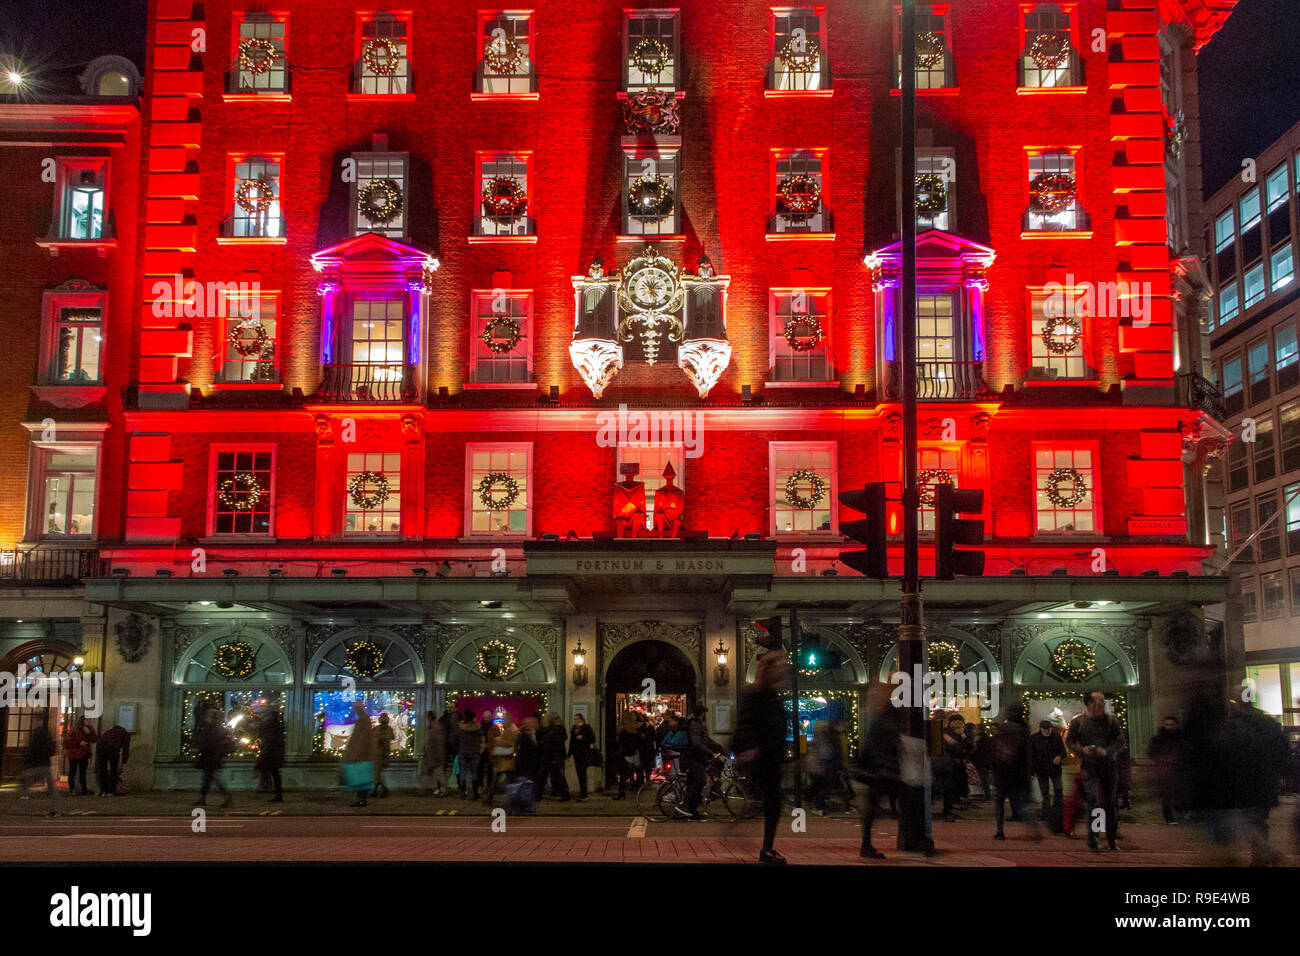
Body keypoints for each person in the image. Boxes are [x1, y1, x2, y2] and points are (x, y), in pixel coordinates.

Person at [734, 625, 791, 864]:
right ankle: (766, 848)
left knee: (772, 802)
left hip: (770, 756)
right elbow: (747, 723)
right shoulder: (757, 694)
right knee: (773, 802)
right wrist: (752, 747)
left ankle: (766, 846)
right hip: (763, 758)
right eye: (779, 666)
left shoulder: (773, 695)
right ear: (768, 670)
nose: (784, 669)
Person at [1065, 691, 1125, 851]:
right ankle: (1094, 837)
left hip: (1108, 766)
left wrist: (1108, 751)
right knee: (1094, 800)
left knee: (1110, 802)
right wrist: (1082, 750)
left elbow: (1120, 741)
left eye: (1103, 701)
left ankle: (1111, 839)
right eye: (1099, 701)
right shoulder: (1079, 722)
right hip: (1090, 766)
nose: (1102, 704)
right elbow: (1070, 741)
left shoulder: (1111, 721)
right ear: (1090, 704)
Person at [858, 685, 902, 860]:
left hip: (879, 769)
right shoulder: (884, 716)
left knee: (871, 807)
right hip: (880, 770)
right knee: (872, 807)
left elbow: (875, 743)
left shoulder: (883, 716)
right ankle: (866, 845)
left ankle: (866, 844)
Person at [991, 701, 1034, 840]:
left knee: (999, 804)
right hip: (1017, 772)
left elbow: (995, 750)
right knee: (1019, 804)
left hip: (1002, 771)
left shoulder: (1002, 728)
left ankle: (1000, 831)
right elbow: (1027, 753)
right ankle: (1034, 824)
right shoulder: (1024, 729)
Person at [682, 705, 725, 820]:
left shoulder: (698, 725)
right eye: (704, 714)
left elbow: (707, 741)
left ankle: (688, 808)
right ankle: (690, 808)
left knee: (693, 782)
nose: (705, 716)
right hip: (692, 758)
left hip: (695, 757)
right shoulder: (695, 725)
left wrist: (721, 749)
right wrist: (711, 753)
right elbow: (697, 743)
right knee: (700, 781)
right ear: (701, 714)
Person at [1147, 716, 1182, 825]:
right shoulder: (1158, 739)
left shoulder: (1180, 738)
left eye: (1172, 725)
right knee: (1167, 795)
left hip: (1177, 770)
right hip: (1164, 770)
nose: (1169, 727)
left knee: (1177, 794)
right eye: (1167, 725)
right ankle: (1169, 817)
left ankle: (1177, 815)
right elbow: (1151, 752)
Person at [20, 714, 58, 814]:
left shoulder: (37, 733)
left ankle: (23, 803)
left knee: (27, 783)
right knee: (50, 788)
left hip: (37, 764)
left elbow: (32, 749)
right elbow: (51, 748)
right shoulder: (46, 733)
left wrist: (28, 760)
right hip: (44, 763)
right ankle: (52, 808)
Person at [194, 708, 232, 808]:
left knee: (209, 777)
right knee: (209, 778)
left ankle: (224, 795)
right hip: (215, 757)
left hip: (210, 757)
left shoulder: (210, 729)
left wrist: (199, 750)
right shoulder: (220, 729)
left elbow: (205, 742)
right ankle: (203, 797)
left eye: (209, 716)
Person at [935, 714, 969, 822]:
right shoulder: (949, 735)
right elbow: (960, 748)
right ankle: (947, 812)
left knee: (948, 789)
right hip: (949, 764)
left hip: (947, 764)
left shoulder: (948, 733)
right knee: (948, 789)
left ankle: (948, 810)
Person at [342, 702, 376, 807]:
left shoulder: (362, 720)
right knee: (361, 778)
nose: (356, 710)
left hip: (361, 755)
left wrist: (356, 753)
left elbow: (361, 738)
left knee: (360, 778)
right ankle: (361, 799)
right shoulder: (364, 719)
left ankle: (361, 799)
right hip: (363, 754)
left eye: (357, 708)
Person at [1029, 719, 1066, 816]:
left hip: (1055, 768)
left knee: (1058, 790)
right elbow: (1030, 755)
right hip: (1041, 769)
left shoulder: (1057, 737)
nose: (1047, 731)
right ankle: (1047, 812)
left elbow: (1063, 752)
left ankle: (1057, 811)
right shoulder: (1034, 739)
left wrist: (1060, 757)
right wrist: (1033, 768)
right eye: (1045, 729)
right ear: (1040, 729)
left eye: (1049, 729)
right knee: (1045, 792)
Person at [484, 713, 518, 806]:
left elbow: (509, 743)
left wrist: (499, 741)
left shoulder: (509, 730)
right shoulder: (510, 729)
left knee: (498, 781)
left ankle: (490, 799)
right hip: (505, 760)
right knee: (508, 781)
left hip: (504, 760)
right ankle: (510, 800)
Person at [62, 715, 97, 796]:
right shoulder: (75, 730)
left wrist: (89, 733)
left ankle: (84, 789)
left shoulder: (90, 729)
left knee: (82, 772)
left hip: (84, 754)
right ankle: (72, 789)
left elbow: (94, 739)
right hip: (74, 754)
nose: (89, 722)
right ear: (82, 721)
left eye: (89, 720)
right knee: (73, 772)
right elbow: (68, 743)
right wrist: (78, 743)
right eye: (87, 720)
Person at [513, 716, 542, 814]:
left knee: (526, 787)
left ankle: (523, 806)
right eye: (534, 723)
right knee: (525, 788)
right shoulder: (524, 737)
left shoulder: (532, 735)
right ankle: (523, 807)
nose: (536, 725)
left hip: (528, 767)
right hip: (525, 767)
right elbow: (527, 753)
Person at [541, 712, 571, 801]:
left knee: (557, 776)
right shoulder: (558, 729)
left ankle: (563, 794)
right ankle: (559, 793)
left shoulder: (555, 730)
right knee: (556, 776)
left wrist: (555, 758)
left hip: (553, 757)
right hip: (554, 757)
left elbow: (557, 745)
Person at [95, 724, 131, 797]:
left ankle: (103, 790)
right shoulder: (126, 734)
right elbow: (125, 749)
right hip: (112, 750)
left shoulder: (109, 732)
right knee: (113, 770)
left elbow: (100, 741)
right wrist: (124, 762)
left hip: (101, 748)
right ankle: (111, 790)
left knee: (102, 770)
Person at [568, 713, 596, 801]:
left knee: (582, 774)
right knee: (580, 774)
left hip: (584, 753)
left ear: (581, 719)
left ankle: (584, 794)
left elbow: (592, 739)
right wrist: (569, 754)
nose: (575, 721)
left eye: (577, 719)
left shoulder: (587, 728)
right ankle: (583, 793)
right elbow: (572, 743)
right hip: (577, 754)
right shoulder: (574, 728)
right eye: (575, 719)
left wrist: (583, 738)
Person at [420, 710, 449, 796]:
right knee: (436, 773)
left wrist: (428, 751)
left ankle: (441, 790)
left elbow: (435, 743)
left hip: (434, 755)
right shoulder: (435, 727)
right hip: (434, 755)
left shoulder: (434, 728)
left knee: (437, 773)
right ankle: (441, 789)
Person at [260, 709, 285, 802]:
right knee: (275, 774)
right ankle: (277, 793)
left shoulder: (271, 727)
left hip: (272, 754)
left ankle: (277, 794)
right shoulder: (277, 726)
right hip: (275, 754)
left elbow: (269, 741)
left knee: (274, 773)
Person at [614, 712, 641, 800]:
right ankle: (634, 784)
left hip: (624, 754)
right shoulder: (634, 730)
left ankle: (621, 792)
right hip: (632, 753)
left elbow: (620, 742)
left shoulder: (623, 730)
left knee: (622, 774)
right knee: (631, 771)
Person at [456, 709, 482, 799]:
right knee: (474, 773)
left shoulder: (461, 726)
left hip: (462, 751)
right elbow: (481, 739)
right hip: (474, 752)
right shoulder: (477, 727)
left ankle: (462, 792)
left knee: (462, 773)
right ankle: (475, 793)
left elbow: (456, 738)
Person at [372, 712, 395, 797]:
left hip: (378, 753)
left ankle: (380, 788)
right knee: (378, 772)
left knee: (378, 771)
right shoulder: (389, 729)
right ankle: (378, 788)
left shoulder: (377, 729)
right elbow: (392, 737)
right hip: (384, 753)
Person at [438, 702, 459, 789]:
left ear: (455, 709)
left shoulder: (459, 718)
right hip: (446, 745)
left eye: (451, 707)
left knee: (458, 767)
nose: (449, 709)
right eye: (449, 707)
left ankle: (460, 787)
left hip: (455, 745)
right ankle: (440, 787)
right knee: (443, 767)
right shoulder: (443, 718)